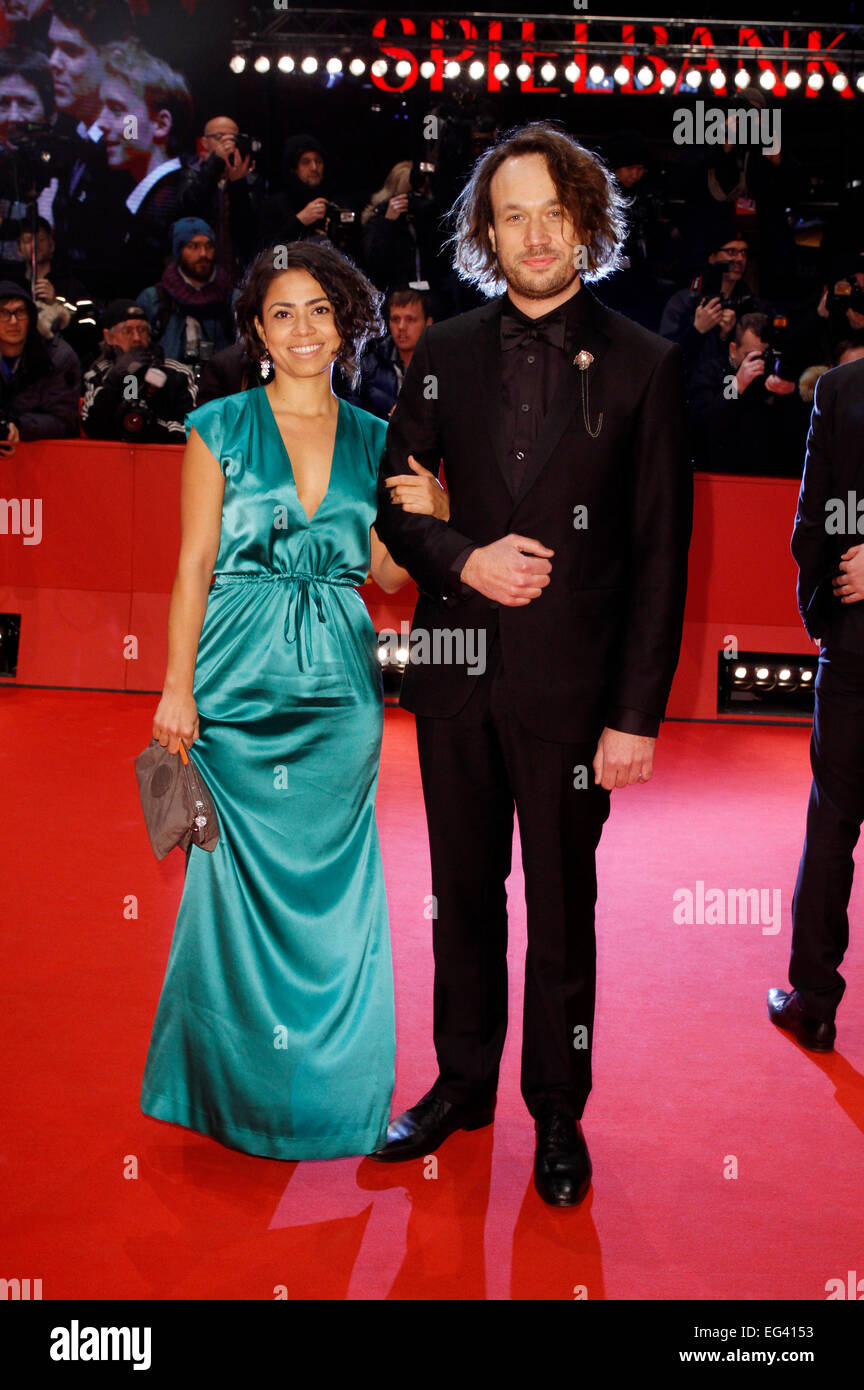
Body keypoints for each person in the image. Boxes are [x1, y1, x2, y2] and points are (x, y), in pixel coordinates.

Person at [371, 121, 693, 1206]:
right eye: (513, 214)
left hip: (575, 692)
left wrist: (636, 717)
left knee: (562, 910)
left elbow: (658, 557)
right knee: (458, 892)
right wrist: (467, 551)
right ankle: (462, 1082)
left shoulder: (647, 365)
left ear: (585, 222)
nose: (535, 233)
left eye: (554, 211)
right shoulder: (444, 350)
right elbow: (394, 502)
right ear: (486, 231)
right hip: (455, 663)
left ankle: (558, 1111)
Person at [140, 241, 447, 1160]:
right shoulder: (218, 426)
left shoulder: (377, 434)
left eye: (320, 309)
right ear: (259, 332)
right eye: (283, 312)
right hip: (233, 683)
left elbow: (388, 576)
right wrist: (174, 687)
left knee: (335, 893)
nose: (303, 328)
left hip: (339, 699)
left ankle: (331, 1094)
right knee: (224, 892)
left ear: (347, 322)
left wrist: (429, 510)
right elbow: (193, 565)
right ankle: (230, 1092)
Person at [770, 356, 864, 1051]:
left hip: (853, 642)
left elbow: (814, 525)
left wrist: (828, 618)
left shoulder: (841, 388)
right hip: (852, 643)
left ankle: (814, 999)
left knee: (833, 817)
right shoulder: (839, 388)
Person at [80, 297, 195, 441]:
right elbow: (91, 427)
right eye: (127, 331)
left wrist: (153, 426)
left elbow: (196, 428)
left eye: (142, 330)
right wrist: (115, 379)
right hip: (112, 459)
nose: (136, 338)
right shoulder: (99, 374)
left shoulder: (177, 373)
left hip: (163, 459)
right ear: (109, 337)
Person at [136, 216, 237, 367]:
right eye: (194, 246)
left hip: (222, 386)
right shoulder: (154, 299)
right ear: (179, 251)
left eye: (209, 246)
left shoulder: (231, 298)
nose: (203, 253)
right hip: (167, 385)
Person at [175, 114, 263, 284]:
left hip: (239, 272)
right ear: (204, 143)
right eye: (219, 137)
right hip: (200, 272)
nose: (227, 144)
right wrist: (215, 163)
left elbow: (251, 230)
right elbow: (186, 209)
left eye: (233, 138)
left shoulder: (252, 180)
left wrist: (238, 184)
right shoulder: (191, 173)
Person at [0, 279, 80, 439]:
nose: (13, 322)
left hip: (44, 455)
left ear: (32, 318)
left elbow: (64, 420)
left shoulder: (58, 356)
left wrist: (19, 426)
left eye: (20, 312)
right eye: (3, 313)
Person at [338, 286, 433, 419]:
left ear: (428, 323)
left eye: (410, 319)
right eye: (395, 319)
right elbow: (351, 416)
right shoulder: (368, 367)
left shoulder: (442, 366)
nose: (401, 327)